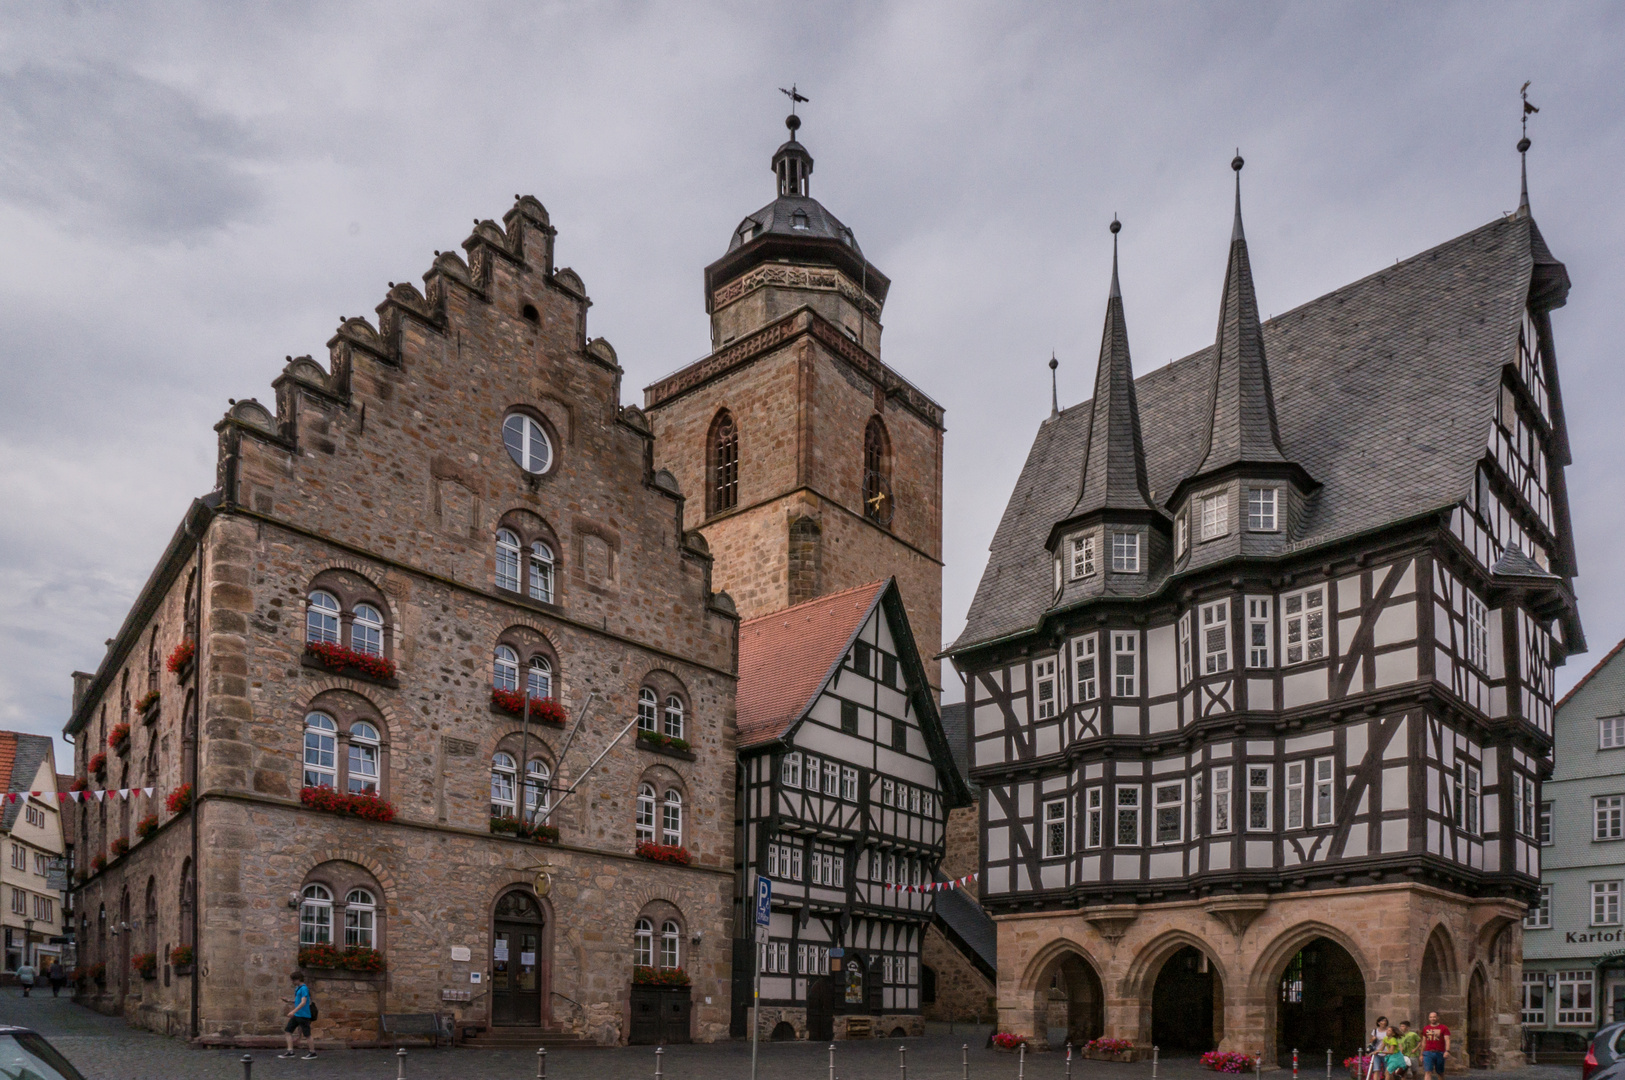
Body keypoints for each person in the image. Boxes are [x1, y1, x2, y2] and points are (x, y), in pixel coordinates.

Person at [278, 971, 317, 1060]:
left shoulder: (304, 988)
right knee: (288, 1031)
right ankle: (290, 1051)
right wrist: (288, 1000)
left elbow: (303, 1002)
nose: (292, 982)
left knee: (307, 1035)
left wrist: (293, 1011)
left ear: (298, 979)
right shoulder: (298, 988)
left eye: (293, 980)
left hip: (303, 1015)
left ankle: (312, 1052)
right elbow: (298, 1000)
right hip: (297, 1015)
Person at [1421, 1011, 1450, 1080]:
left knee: (1440, 1072)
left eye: (1434, 1017)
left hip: (1440, 1052)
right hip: (1428, 1052)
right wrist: (1421, 1054)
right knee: (1428, 1071)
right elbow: (1424, 1042)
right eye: (1431, 1017)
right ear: (1429, 1018)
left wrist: (1447, 1051)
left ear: (1437, 1018)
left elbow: (1447, 1040)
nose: (1432, 1019)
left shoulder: (1443, 1028)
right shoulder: (1426, 1028)